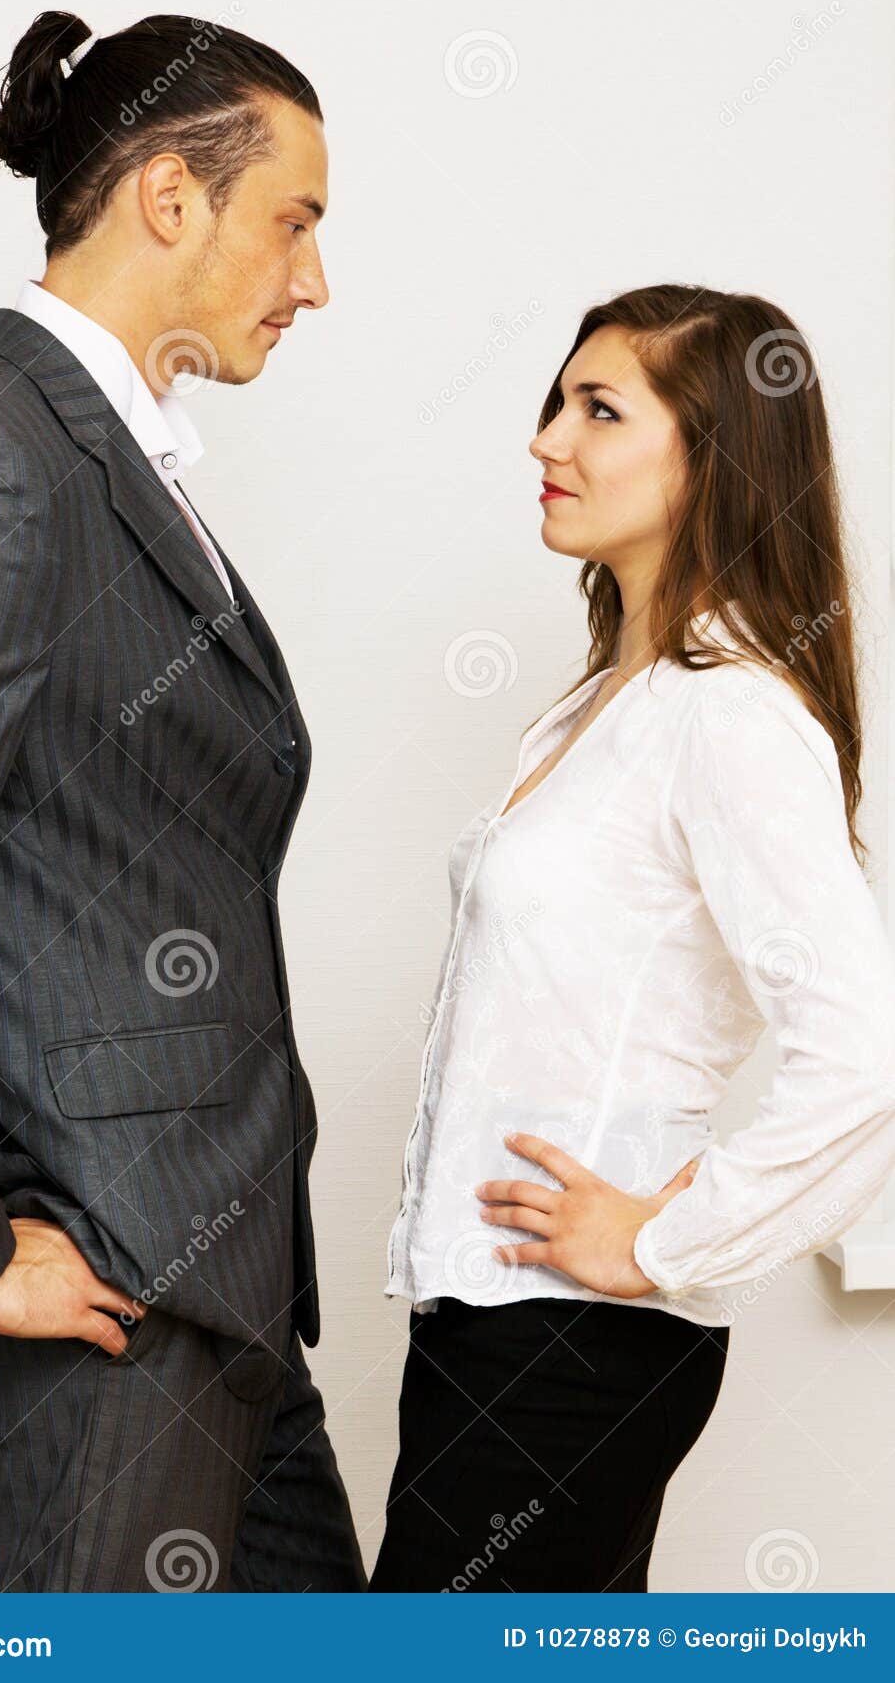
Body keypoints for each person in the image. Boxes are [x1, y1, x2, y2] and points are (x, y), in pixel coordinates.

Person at [0, 12, 366, 1594]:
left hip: (224, 1294)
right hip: (119, 1314)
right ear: (172, 197)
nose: (314, 279)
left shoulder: (108, 454)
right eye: (294, 221)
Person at [372, 284, 895, 1592]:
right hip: (498, 1324)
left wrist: (661, 1241)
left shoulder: (730, 716)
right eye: (558, 402)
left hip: (574, 1342)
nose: (548, 439)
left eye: (599, 409)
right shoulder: (596, 709)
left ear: (716, 454)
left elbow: (866, 1052)